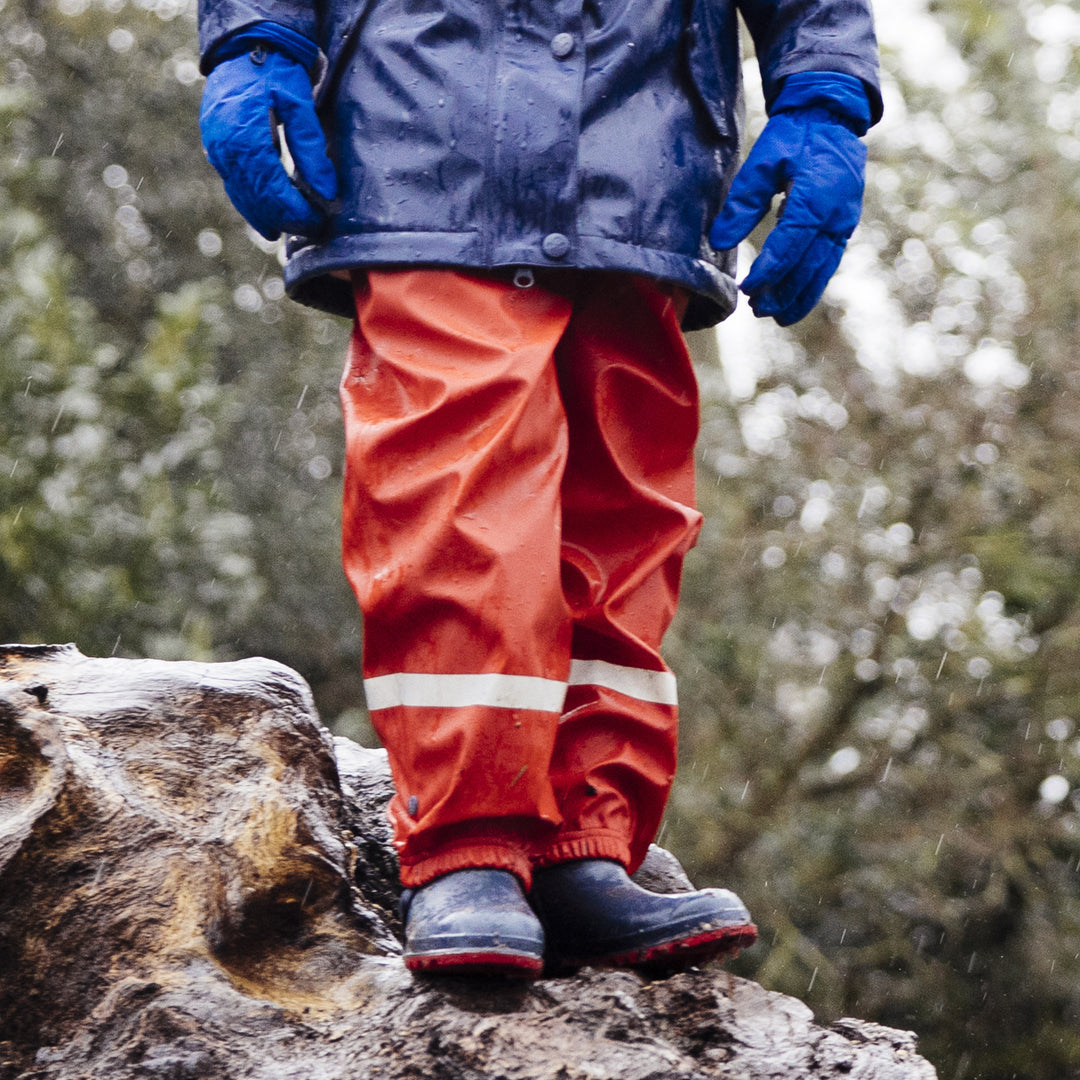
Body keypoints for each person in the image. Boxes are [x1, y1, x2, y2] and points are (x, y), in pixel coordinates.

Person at [197, 0, 880, 978]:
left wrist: (824, 90)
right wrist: (254, 38)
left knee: (624, 510)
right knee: (457, 492)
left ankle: (588, 839)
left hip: (644, 167)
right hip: (425, 141)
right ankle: (467, 842)